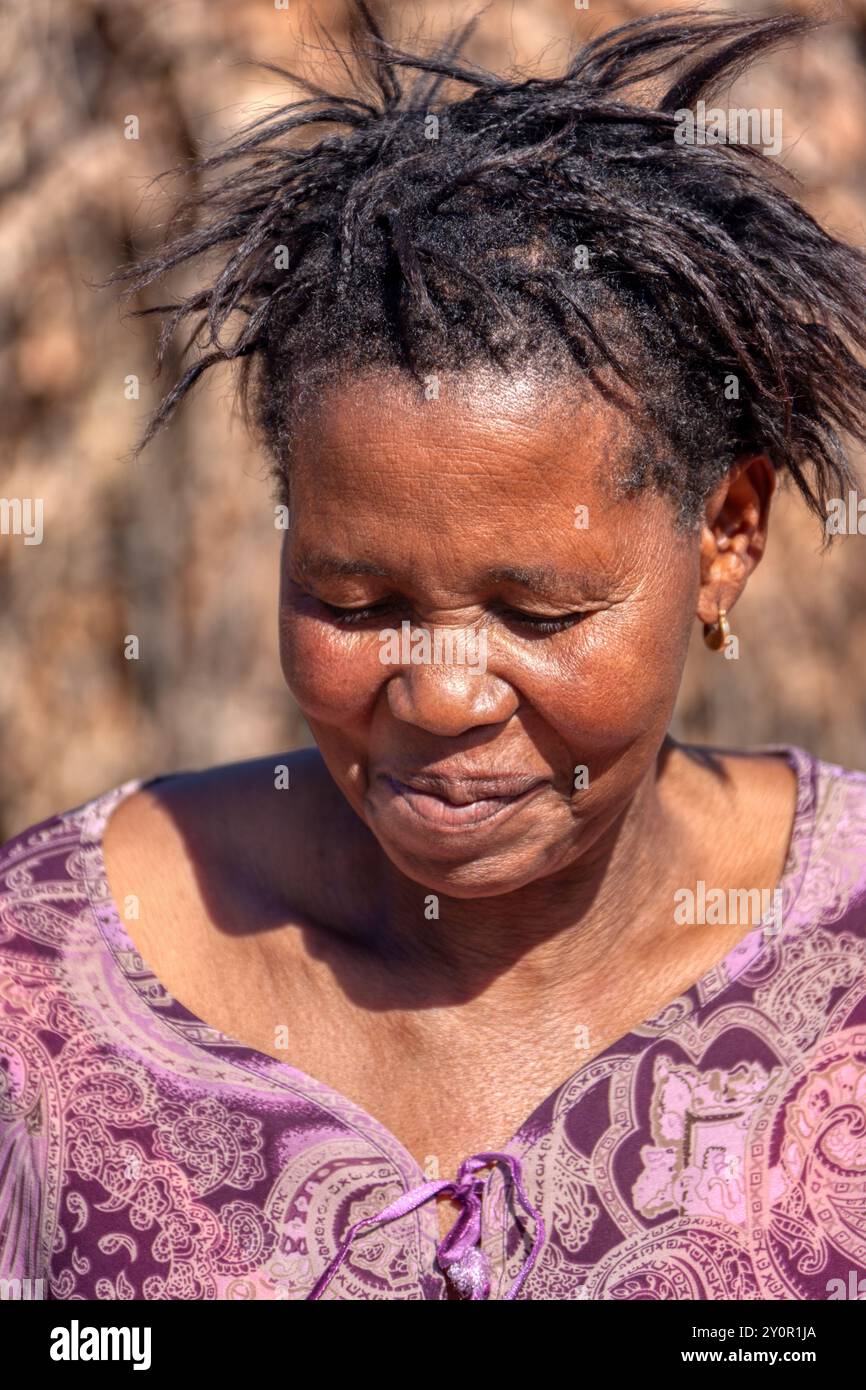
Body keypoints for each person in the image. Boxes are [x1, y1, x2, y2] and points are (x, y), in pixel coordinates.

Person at [2, 5, 866, 1301]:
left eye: (538, 614)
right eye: (352, 599)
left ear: (726, 537)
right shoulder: (47, 986)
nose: (441, 695)